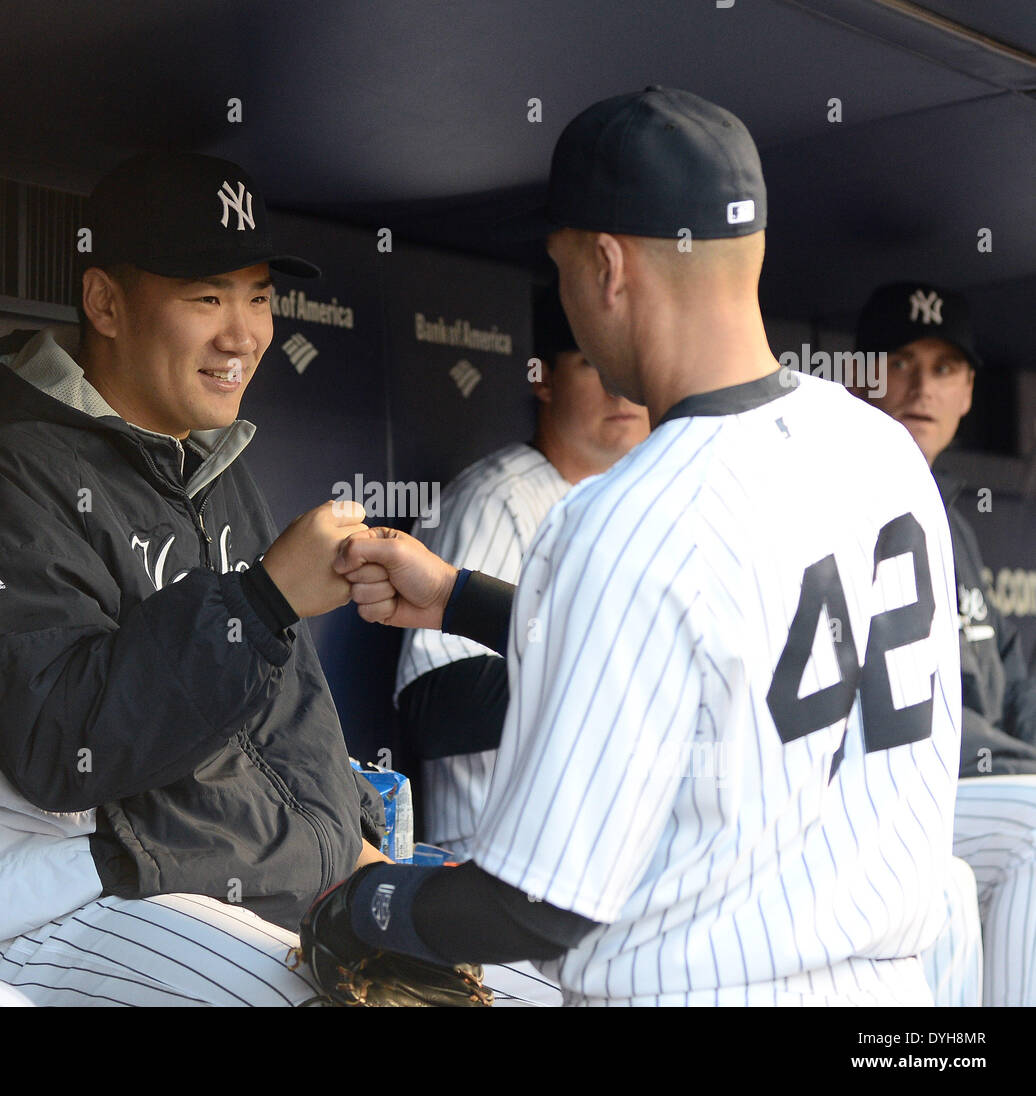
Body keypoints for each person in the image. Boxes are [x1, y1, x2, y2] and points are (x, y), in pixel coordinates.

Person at [306, 87, 963, 1006]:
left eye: (567, 268)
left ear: (609, 267)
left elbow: (539, 906)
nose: (570, 298)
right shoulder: (878, 448)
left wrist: (362, 904)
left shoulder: (632, 512)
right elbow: (741, 657)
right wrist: (465, 599)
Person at [0, 150, 399, 1007]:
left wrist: (355, 853)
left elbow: (285, 713)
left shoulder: (217, 467)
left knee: (526, 986)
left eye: (258, 295)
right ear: (105, 302)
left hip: (194, 887)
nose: (244, 333)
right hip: (18, 903)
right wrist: (261, 601)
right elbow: (65, 747)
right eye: (207, 296)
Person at [396, 285, 648, 860]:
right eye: (593, 362)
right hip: (494, 848)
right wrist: (613, 669)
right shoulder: (498, 500)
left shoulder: (637, 503)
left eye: (628, 363)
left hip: (597, 851)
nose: (620, 387)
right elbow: (435, 705)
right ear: (544, 377)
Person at [856, 281, 1036, 1005]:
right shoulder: (841, 496)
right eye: (899, 360)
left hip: (967, 791)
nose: (920, 387)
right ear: (861, 376)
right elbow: (908, 709)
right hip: (883, 792)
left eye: (944, 368)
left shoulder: (952, 520)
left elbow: (1013, 682)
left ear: (967, 393)